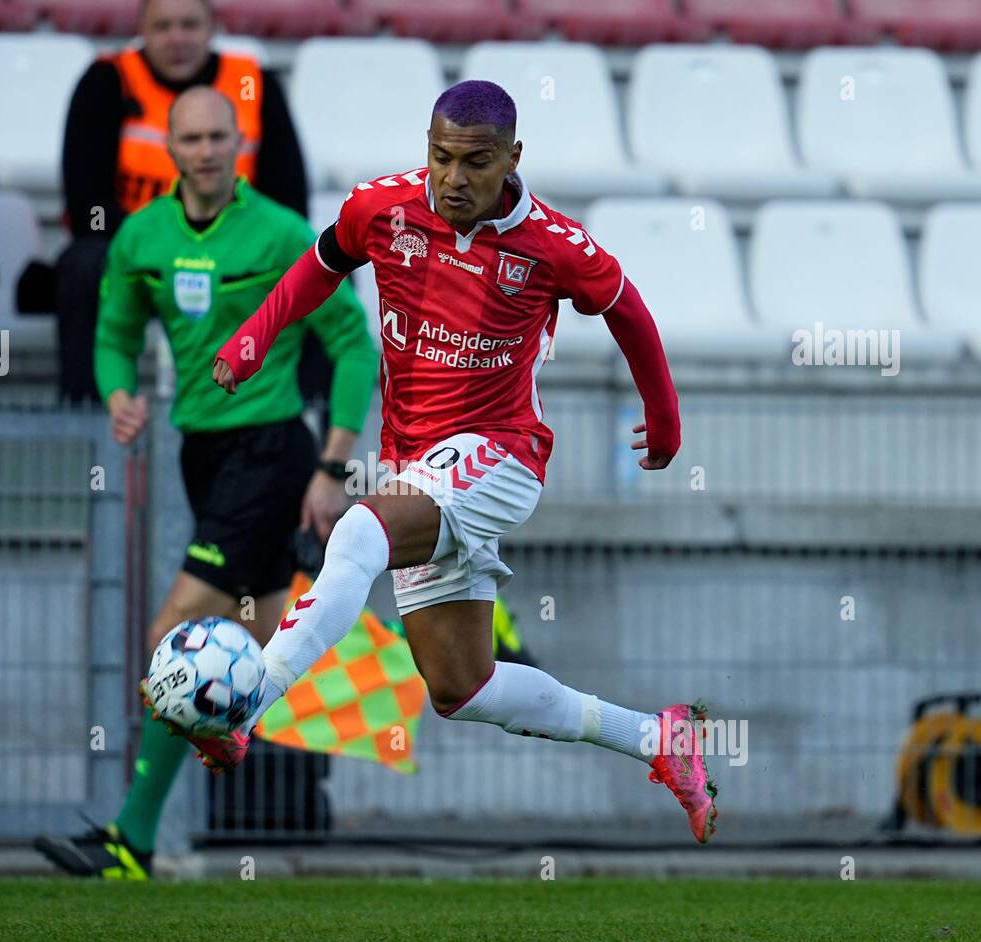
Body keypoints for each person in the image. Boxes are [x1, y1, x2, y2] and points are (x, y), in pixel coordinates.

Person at [211, 80, 719, 844]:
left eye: (475, 162)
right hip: (418, 465)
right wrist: (254, 338)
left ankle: (248, 702)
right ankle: (657, 739)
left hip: (500, 456)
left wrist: (664, 416)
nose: (454, 178)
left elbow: (626, 307)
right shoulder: (382, 209)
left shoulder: (552, 242)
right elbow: (322, 262)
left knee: (355, 534)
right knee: (460, 688)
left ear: (512, 158)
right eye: (441, 158)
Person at [35, 86, 376, 878]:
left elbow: (355, 347)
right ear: (169, 145)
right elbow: (114, 333)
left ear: (239, 142)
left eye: (220, 136)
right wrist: (119, 392)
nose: (207, 150)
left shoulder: (286, 234)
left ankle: (133, 837)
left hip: (269, 452)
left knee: (175, 637)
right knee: (260, 646)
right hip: (203, 457)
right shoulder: (142, 237)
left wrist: (331, 466)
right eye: (191, 137)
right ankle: (390, 687)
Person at [56, 0, 310, 405]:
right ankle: (91, 419)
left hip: (239, 247)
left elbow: (289, 200)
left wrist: (234, 244)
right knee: (82, 267)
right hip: (135, 251)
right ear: (142, 27)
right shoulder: (108, 80)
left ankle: (310, 426)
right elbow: (89, 208)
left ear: (213, 27)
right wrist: (157, 243)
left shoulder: (254, 82)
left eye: (189, 25)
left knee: (315, 271)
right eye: (163, 26)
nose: (177, 38)